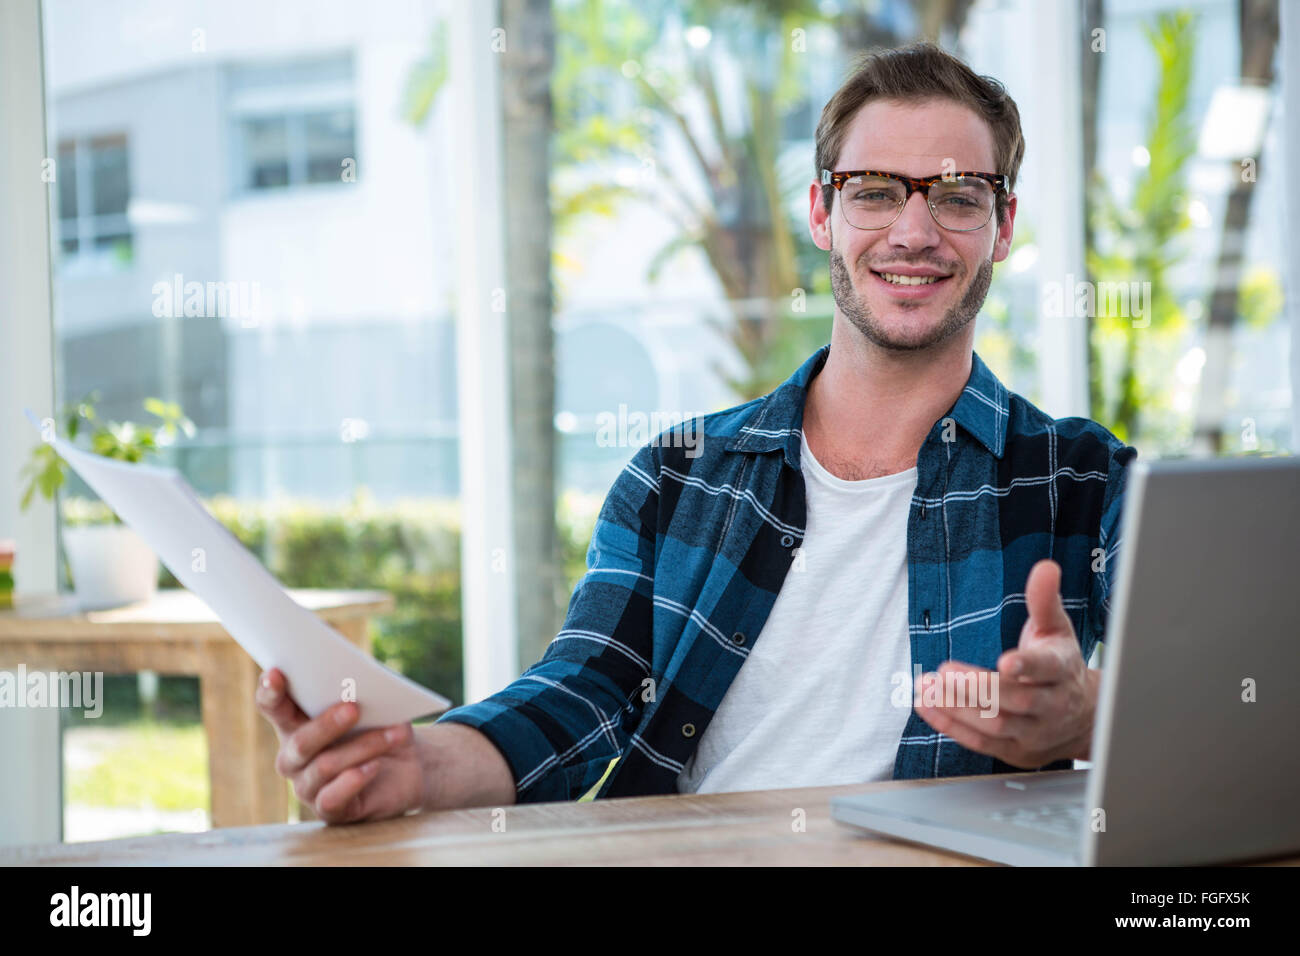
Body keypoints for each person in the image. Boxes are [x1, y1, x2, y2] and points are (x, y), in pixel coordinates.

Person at [256, 41, 1136, 824]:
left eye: (956, 195)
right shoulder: (679, 476)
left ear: (1003, 225)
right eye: (874, 193)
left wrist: (1090, 712)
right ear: (823, 215)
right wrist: (417, 764)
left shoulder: (1086, 482)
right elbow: (585, 692)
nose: (913, 231)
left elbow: (1248, 700)